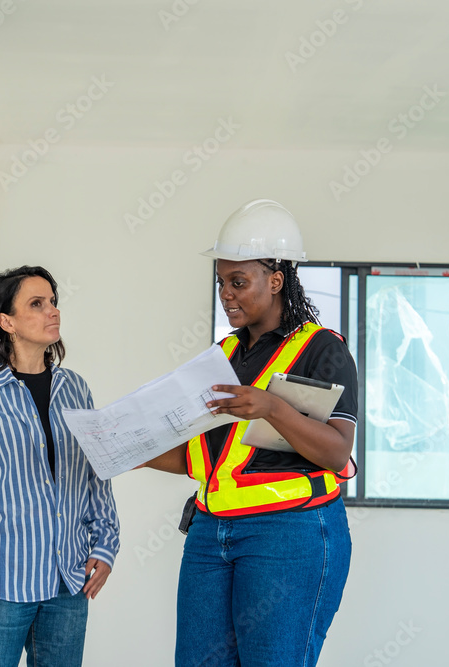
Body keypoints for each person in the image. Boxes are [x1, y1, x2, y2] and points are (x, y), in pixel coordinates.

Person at [141, 200, 358, 667]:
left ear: (276, 280)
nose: (227, 294)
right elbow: (205, 460)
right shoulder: (224, 356)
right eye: (221, 282)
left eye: (239, 282)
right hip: (209, 531)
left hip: (289, 532)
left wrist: (274, 408)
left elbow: (338, 453)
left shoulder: (323, 351)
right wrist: (135, 448)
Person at [0, 265, 120, 667]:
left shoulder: (76, 389)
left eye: (53, 302)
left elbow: (95, 475)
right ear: (7, 322)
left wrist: (106, 545)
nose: (52, 311)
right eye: (36, 304)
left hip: (67, 583)